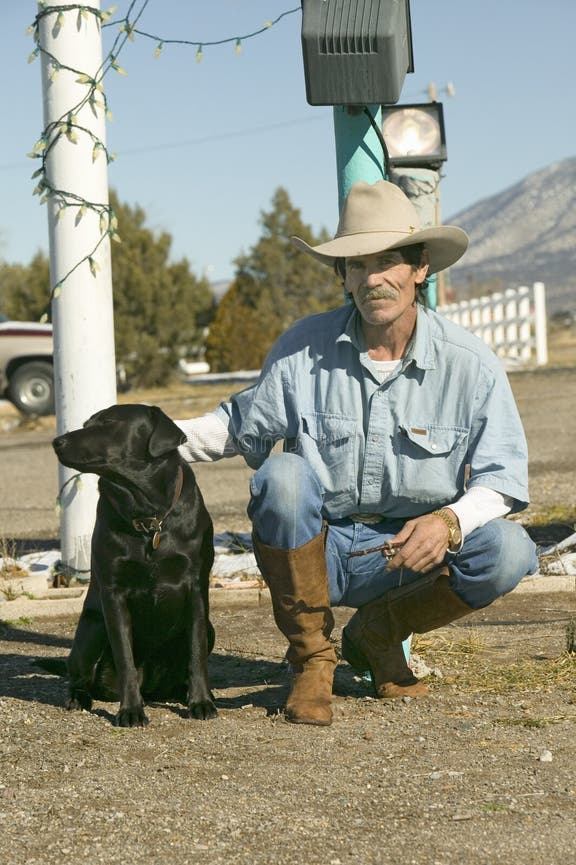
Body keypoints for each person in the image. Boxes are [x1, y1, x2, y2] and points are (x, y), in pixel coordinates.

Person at [176, 180, 538, 727]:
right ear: (341, 277)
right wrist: (145, 436)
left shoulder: (472, 364)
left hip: (409, 556)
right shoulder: (303, 347)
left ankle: (377, 635)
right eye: (357, 264)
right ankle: (313, 660)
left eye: (388, 260)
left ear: (420, 268)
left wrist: (446, 521)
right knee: (284, 476)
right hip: (319, 550)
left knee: (508, 550)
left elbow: (504, 480)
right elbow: (236, 427)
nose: (374, 279)